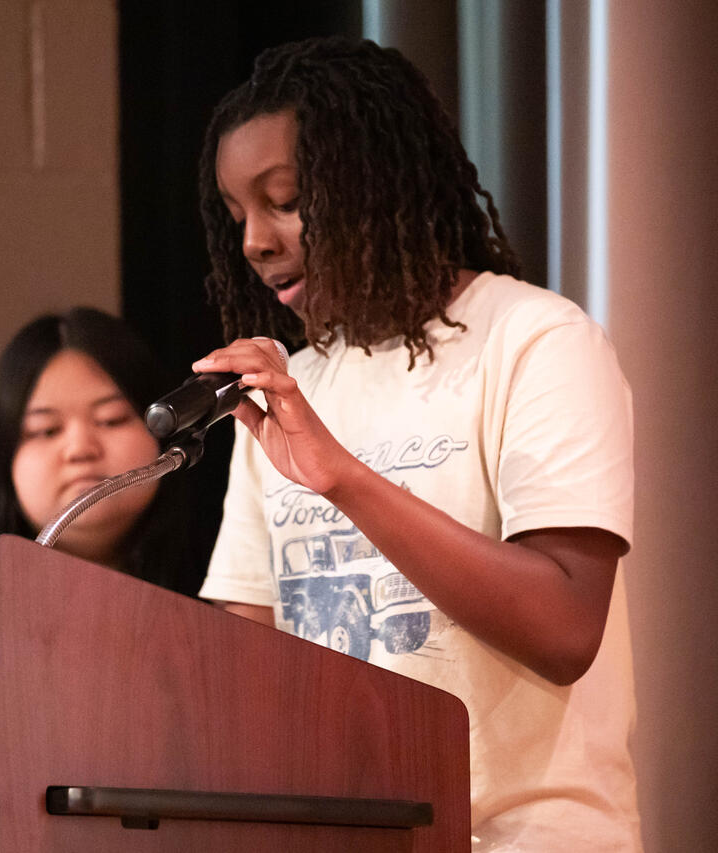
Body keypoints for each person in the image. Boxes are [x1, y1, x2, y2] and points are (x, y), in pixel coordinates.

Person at [192, 37, 639, 851]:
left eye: (283, 199)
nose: (255, 240)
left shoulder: (536, 341)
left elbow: (567, 626)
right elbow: (241, 660)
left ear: (374, 180)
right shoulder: (290, 390)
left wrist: (344, 479)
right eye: (237, 215)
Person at [0, 307, 209, 596]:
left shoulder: (223, 572)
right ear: (1, 454)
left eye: (111, 419)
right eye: (46, 430)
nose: (80, 450)